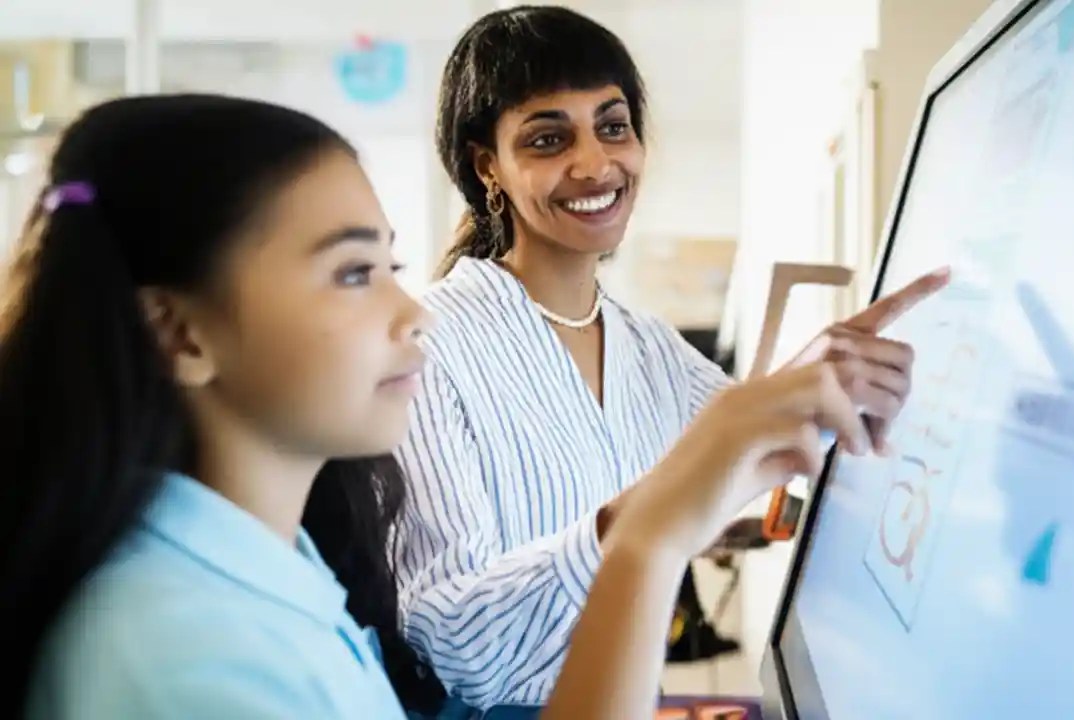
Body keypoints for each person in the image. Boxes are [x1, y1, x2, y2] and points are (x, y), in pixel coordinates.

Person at [0, 94, 911, 720]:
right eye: (353, 273)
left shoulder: (270, 559)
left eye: (390, 267)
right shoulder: (184, 655)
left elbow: (737, 418)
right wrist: (642, 540)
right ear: (180, 335)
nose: (408, 313)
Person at [395, 5, 951, 711]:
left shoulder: (650, 348)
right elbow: (457, 641)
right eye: (547, 138)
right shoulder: (427, 346)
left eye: (613, 125)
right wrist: (646, 523)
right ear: (488, 167)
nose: (596, 163)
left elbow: (754, 450)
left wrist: (824, 388)